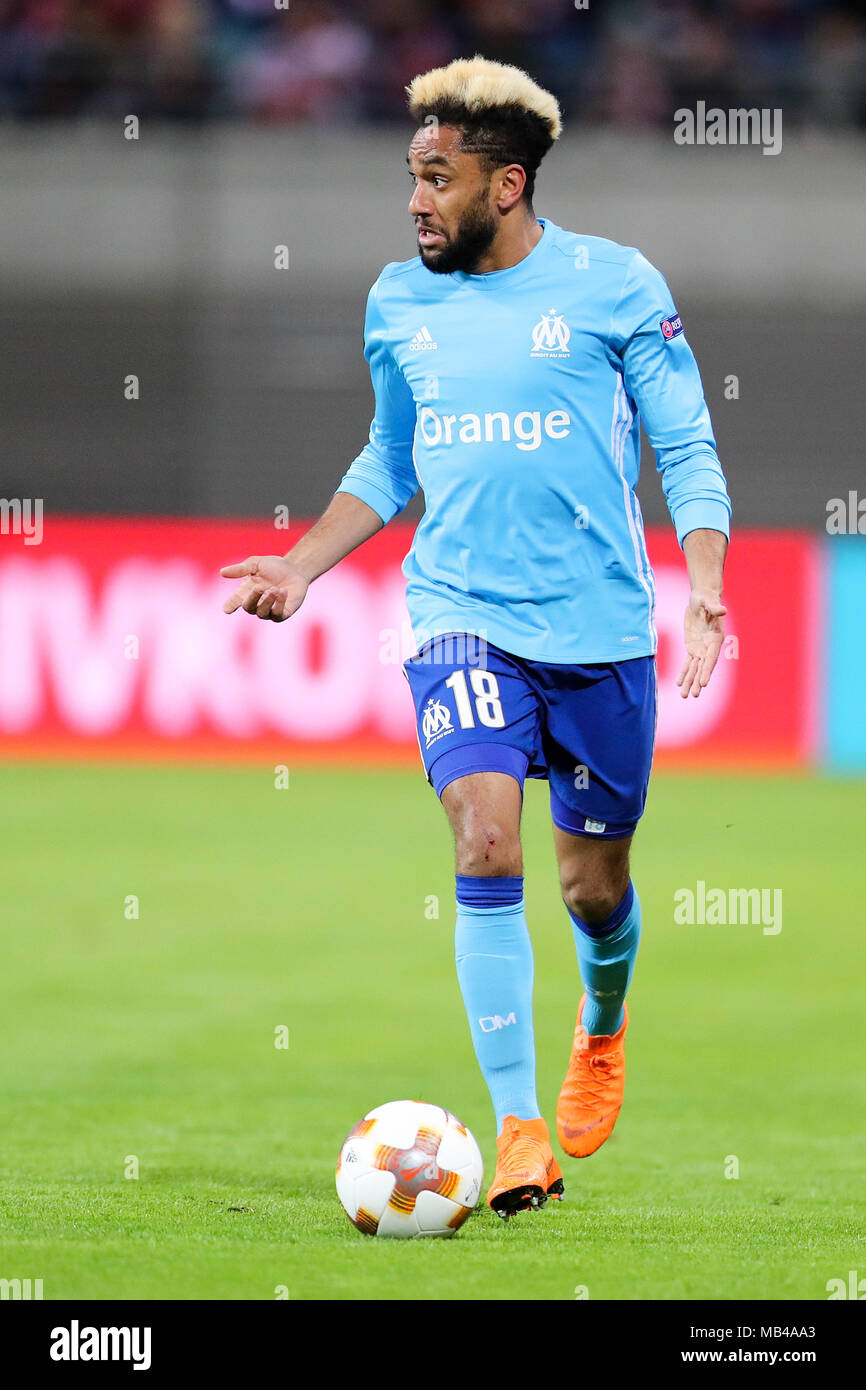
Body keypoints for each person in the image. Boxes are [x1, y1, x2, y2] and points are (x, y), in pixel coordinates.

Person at [221, 55, 731, 1219]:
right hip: (458, 616)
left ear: (504, 186)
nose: (413, 202)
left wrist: (701, 580)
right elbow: (389, 458)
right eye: (410, 175)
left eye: (434, 179)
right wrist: (301, 564)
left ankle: (600, 1024)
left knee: (590, 886)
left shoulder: (614, 286)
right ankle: (514, 1133)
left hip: (598, 631)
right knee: (484, 840)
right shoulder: (398, 302)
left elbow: (687, 449)